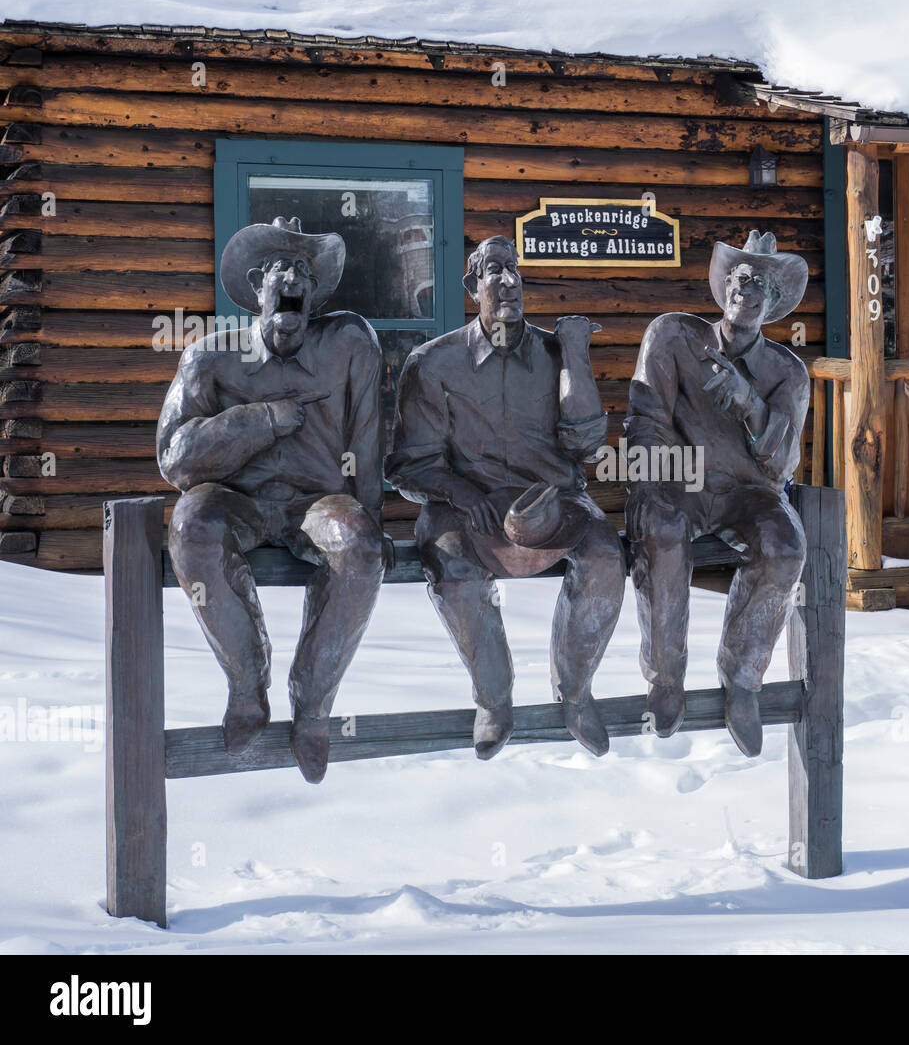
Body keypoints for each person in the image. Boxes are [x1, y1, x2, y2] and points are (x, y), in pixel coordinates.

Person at [157, 216, 388, 784]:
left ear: (314, 294)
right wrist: (259, 421)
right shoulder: (210, 358)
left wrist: (372, 518)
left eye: (304, 271)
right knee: (191, 526)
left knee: (359, 546)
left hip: (316, 503)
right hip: (236, 499)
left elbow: (367, 440)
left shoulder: (350, 345)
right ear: (258, 286)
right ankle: (246, 682)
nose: (293, 278)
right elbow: (175, 456)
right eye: (282, 269)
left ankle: (313, 703)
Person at [386, 236, 625, 760]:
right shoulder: (433, 363)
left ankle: (577, 690)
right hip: (463, 505)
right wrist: (461, 490)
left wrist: (577, 356)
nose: (509, 280)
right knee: (451, 567)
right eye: (494, 270)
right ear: (473, 287)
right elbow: (407, 463)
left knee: (606, 556)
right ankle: (494, 698)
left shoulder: (555, 352)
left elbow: (586, 444)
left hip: (553, 500)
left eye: (514, 269)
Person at [625, 230, 810, 756]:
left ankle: (743, 679)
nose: (748, 291)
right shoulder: (673, 337)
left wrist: (751, 405)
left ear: (774, 305)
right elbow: (646, 416)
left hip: (746, 491)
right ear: (724, 285)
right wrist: (651, 483)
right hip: (679, 480)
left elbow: (783, 463)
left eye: (762, 286)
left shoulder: (787, 373)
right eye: (741, 278)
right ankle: (665, 676)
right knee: (659, 528)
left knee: (785, 545)